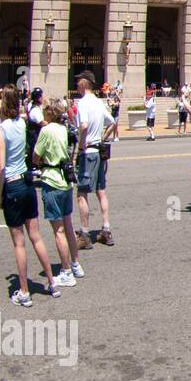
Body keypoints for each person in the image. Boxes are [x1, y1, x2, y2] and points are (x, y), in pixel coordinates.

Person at [0, 86, 58, 305]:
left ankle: (24, 291)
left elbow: (2, 166)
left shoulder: (2, 128)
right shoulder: (22, 123)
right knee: (36, 236)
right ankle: (51, 282)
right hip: (27, 182)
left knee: (19, 243)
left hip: (12, 185)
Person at [33, 98, 84, 287]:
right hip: (65, 181)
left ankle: (66, 271)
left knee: (58, 230)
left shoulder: (46, 131)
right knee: (68, 224)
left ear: (49, 112)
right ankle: (75, 263)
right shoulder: (64, 129)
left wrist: (38, 160)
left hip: (52, 180)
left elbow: (36, 156)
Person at [73, 70, 116, 249]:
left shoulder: (83, 103)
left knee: (82, 194)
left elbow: (83, 126)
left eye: (78, 82)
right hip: (98, 151)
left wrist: (82, 145)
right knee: (101, 191)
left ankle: (84, 234)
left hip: (88, 152)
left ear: (84, 83)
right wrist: (102, 138)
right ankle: (106, 230)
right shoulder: (99, 103)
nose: (76, 85)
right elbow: (113, 122)